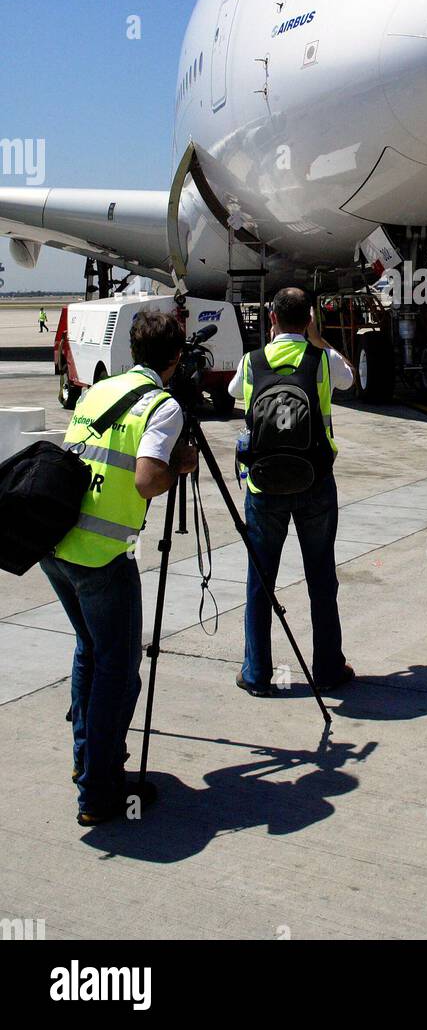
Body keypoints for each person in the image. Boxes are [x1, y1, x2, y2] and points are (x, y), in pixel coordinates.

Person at [41, 310, 197, 825]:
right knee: (118, 671)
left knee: (89, 652)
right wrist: (179, 465)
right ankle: (100, 791)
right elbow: (148, 479)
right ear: (176, 359)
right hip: (101, 557)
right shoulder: (162, 405)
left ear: (133, 349)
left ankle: (86, 761)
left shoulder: (97, 391)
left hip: (56, 543)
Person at [228, 287, 355, 697]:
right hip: (315, 482)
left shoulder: (252, 363)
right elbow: (350, 379)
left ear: (272, 320)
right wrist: (318, 339)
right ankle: (328, 668)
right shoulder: (321, 360)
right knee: (321, 577)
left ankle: (257, 673)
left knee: (260, 580)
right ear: (310, 320)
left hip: (264, 486)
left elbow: (232, 392)